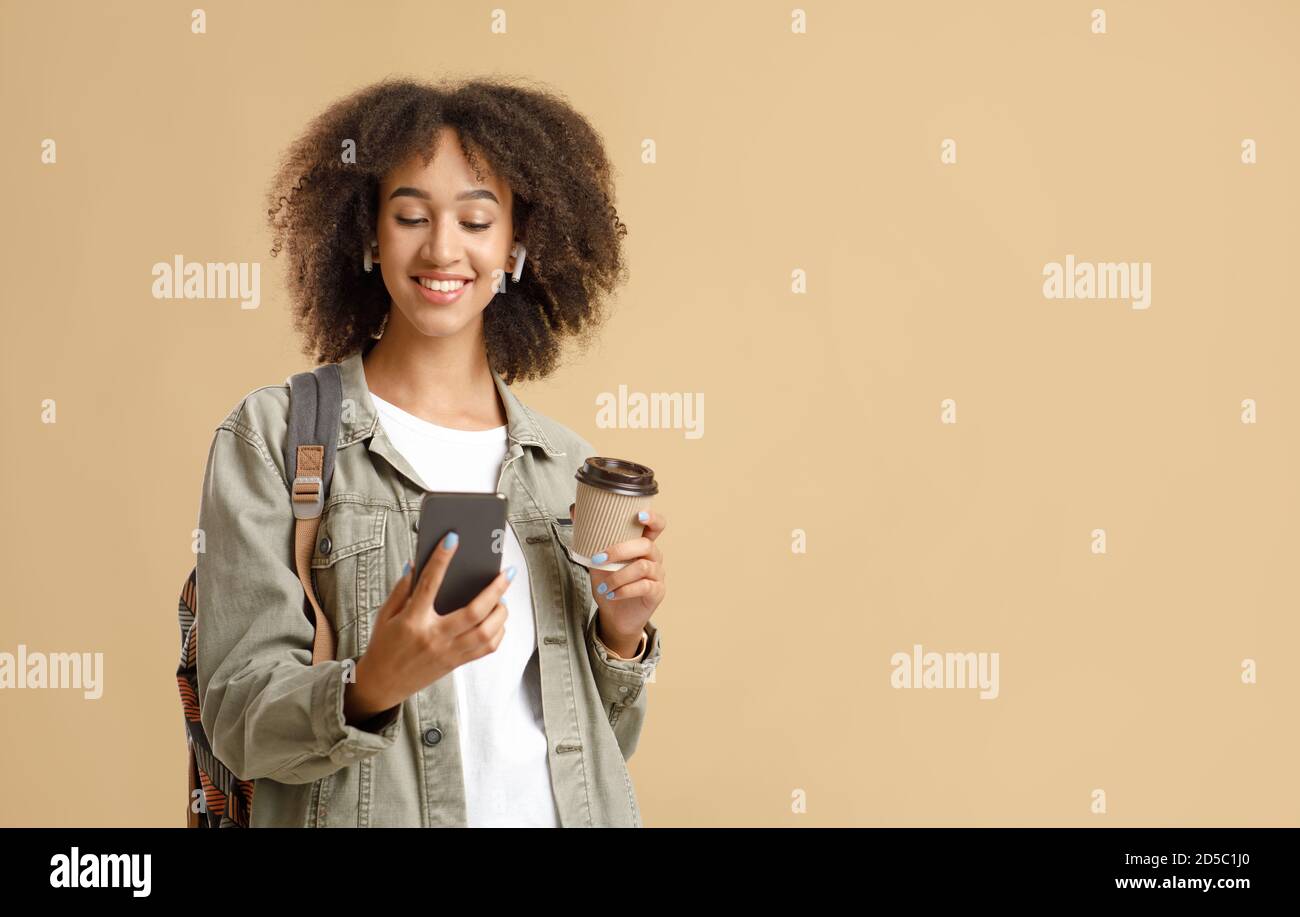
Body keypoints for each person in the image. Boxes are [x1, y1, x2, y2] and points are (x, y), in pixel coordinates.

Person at [194, 76, 666, 827]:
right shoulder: (278, 437)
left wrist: (621, 632)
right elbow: (238, 717)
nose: (443, 248)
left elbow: (605, 743)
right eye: (410, 215)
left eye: (477, 221)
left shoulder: (559, 464)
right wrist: (369, 683)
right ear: (368, 234)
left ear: (515, 246)